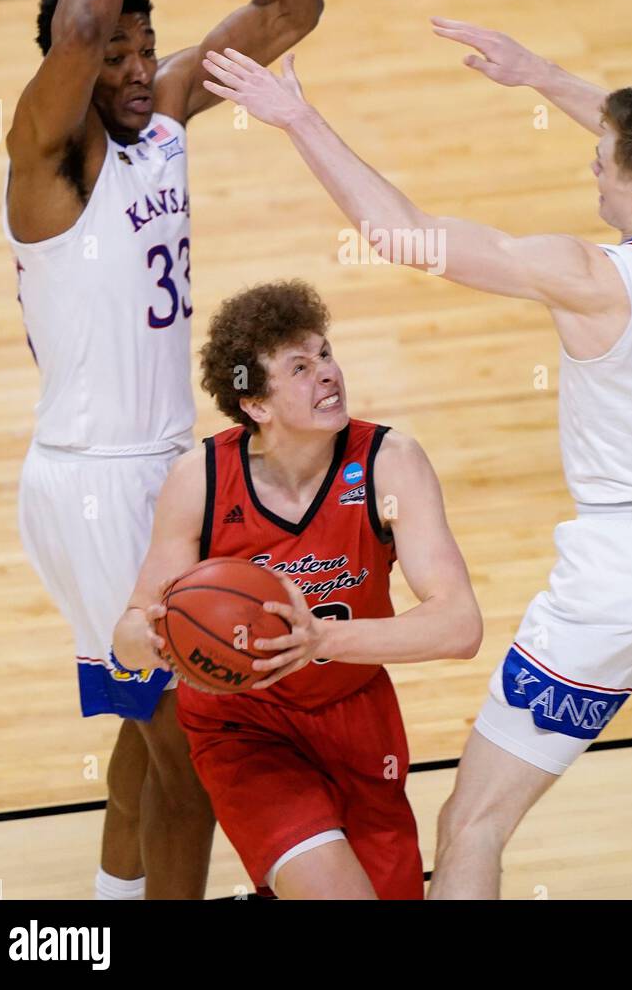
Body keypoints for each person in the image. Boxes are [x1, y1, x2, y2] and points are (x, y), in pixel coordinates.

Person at [197, 19, 632, 902]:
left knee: (472, 824)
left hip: (630, 570)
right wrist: (544, 73)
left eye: (602, 162)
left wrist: (298, 120)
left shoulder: (590, 275)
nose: (591, 164)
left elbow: (405, 234)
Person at [4, 0, 322, 899]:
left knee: (148, 739)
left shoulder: (166, 116)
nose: (138, 68)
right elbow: (82, 18)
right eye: (115, 56)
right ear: (69, 67)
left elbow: (288, 11)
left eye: (148, 49)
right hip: (101, 482)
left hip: (149, 470)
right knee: (193, 758)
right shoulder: (45, 160)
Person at [113, 279, 482, 900]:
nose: (328, 375)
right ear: (256, 404)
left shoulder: (390, 461)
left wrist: (319, 639)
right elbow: (125, 638)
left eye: (326, 354)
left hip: (358, 717)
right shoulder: (199, 480)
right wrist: (156, 640)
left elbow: (459, 626)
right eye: (300, 368)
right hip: (245, 725)